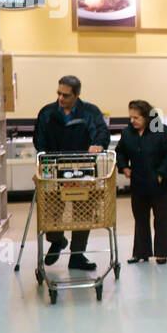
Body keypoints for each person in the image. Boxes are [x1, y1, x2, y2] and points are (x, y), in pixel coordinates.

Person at [34, 75, 110, 270]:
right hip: (53, 170)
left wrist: (98, 144)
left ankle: (77, 255)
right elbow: (39, 140)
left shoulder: (89, 112)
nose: (60, 98)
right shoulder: (48, 113)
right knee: (50, 211)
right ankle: (57, 240)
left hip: (82, 169)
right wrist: (43, 162)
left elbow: (102, 132)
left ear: (77, 94)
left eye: (66, 95)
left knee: (82, 213)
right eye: (58, 93)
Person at [116, 100, 167, 265]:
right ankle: (141, 252)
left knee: (161, 218)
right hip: (138, 183)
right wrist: (124, 167)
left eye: (136, 118)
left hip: (160, 184)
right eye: (130, 117)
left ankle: (162, 253)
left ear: (146, 117)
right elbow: (120, 152)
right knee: (140, 218)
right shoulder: (128, 133)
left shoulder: (162, 131)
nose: (132, 121)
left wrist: (161, 173)